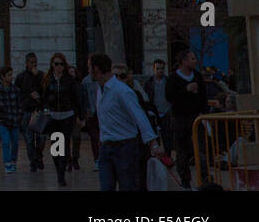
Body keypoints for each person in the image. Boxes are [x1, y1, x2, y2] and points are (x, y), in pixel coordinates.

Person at [89, 53, 165, 191]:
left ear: (96, 69)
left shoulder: (122, 91)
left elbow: (139, 116)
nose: (88, 71)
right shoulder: (100, 90)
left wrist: (153, 143)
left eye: (89, 67)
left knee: (127, 187)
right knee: (106, 187)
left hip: (125, 148)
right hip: (106, 148)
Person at [166, 49, 210, 189]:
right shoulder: (173, 78)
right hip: (180, 119)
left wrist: (205, 115)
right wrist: (186, 90)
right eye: (191, 59)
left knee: (201, 151)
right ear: (184, 61)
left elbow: (203, 97)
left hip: (196, 118)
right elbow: (169, 97)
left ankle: (205, 181)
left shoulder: (197, 76)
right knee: (182, 153)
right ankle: (185, 181)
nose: (195, 61)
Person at [40, 53, 81, 187]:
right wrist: (45, 109)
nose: (58, 67)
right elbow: (44, 98)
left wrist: (78, 115)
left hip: (67, 116)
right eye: (56, 64)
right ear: (52, 65)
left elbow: (75, 98)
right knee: (55, 148)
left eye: (61, 64)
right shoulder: (48, 79)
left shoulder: (69, 80)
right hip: (53, 117)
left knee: (63, 146)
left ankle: (61, 176)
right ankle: (59, 170)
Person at [15, 53, 45, 171]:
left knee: (41, 138)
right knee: (29, 139)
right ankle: (33, 161)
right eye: (32, 62)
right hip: (26, 111)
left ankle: (39, 157)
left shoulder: (41, 76)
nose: (34, 64)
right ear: (27, 63)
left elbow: (46, 92)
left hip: (38, 111)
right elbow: (18, 94)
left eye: (35, 62)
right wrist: (28, 97)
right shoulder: (20, 77)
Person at [0, 65, 22, 173]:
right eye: (9, 75)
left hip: (14, 121)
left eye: (11, 75)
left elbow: (20, 104)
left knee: (15, 142)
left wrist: (18, 116)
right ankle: (7, 163)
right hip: (3, 121)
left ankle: (13, 161)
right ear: (3, 77)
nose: (11, 77)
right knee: (6, 142)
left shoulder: (16, 90)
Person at [145, 59, 173, 151]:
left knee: (167, 137)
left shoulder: (168, 81)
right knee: (155, 137)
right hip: (154, 113)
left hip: (166, 112)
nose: (160, 71)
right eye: (157, 68)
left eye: (162, 68)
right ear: (153, 69)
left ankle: (168, 156)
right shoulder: (149, 83)